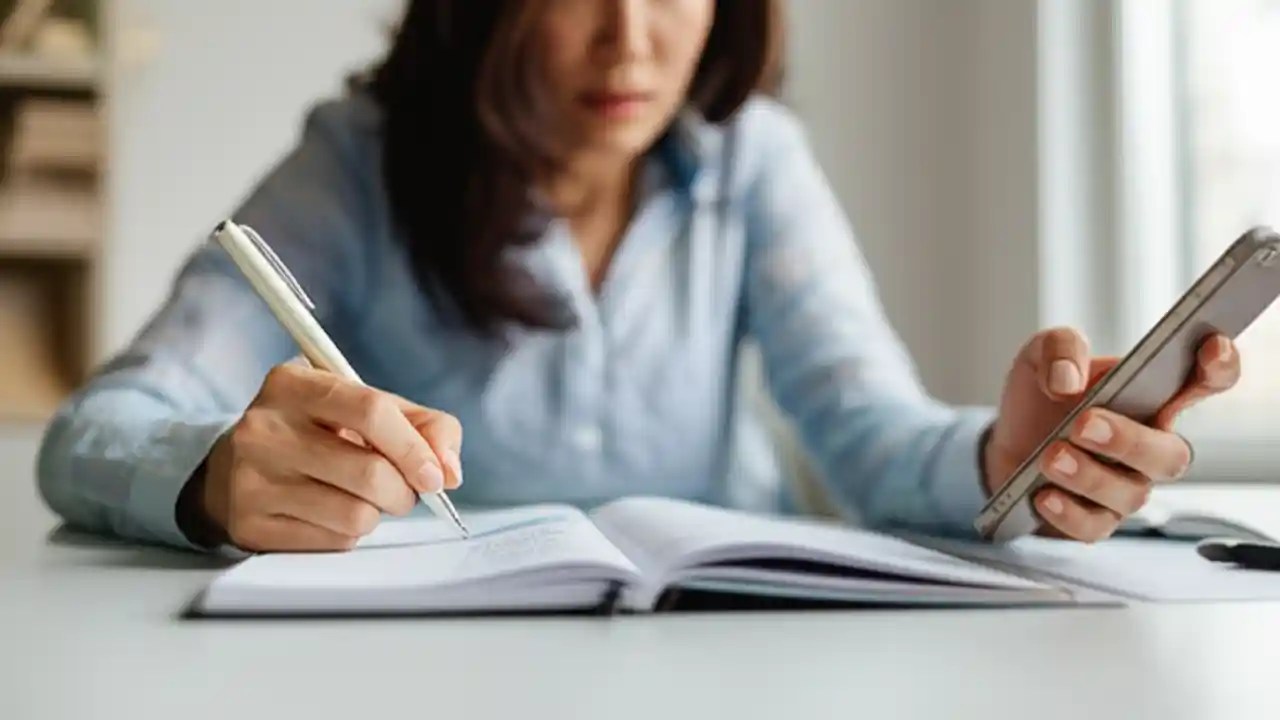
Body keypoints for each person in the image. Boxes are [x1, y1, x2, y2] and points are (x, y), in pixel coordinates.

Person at [37, 0, 1240, 553]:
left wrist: (1009, 456)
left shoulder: (747, 160)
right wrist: (208, 480)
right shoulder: (358, 164)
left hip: (721, 667)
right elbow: (96, 428)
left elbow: (867, 432)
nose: (630, 38)